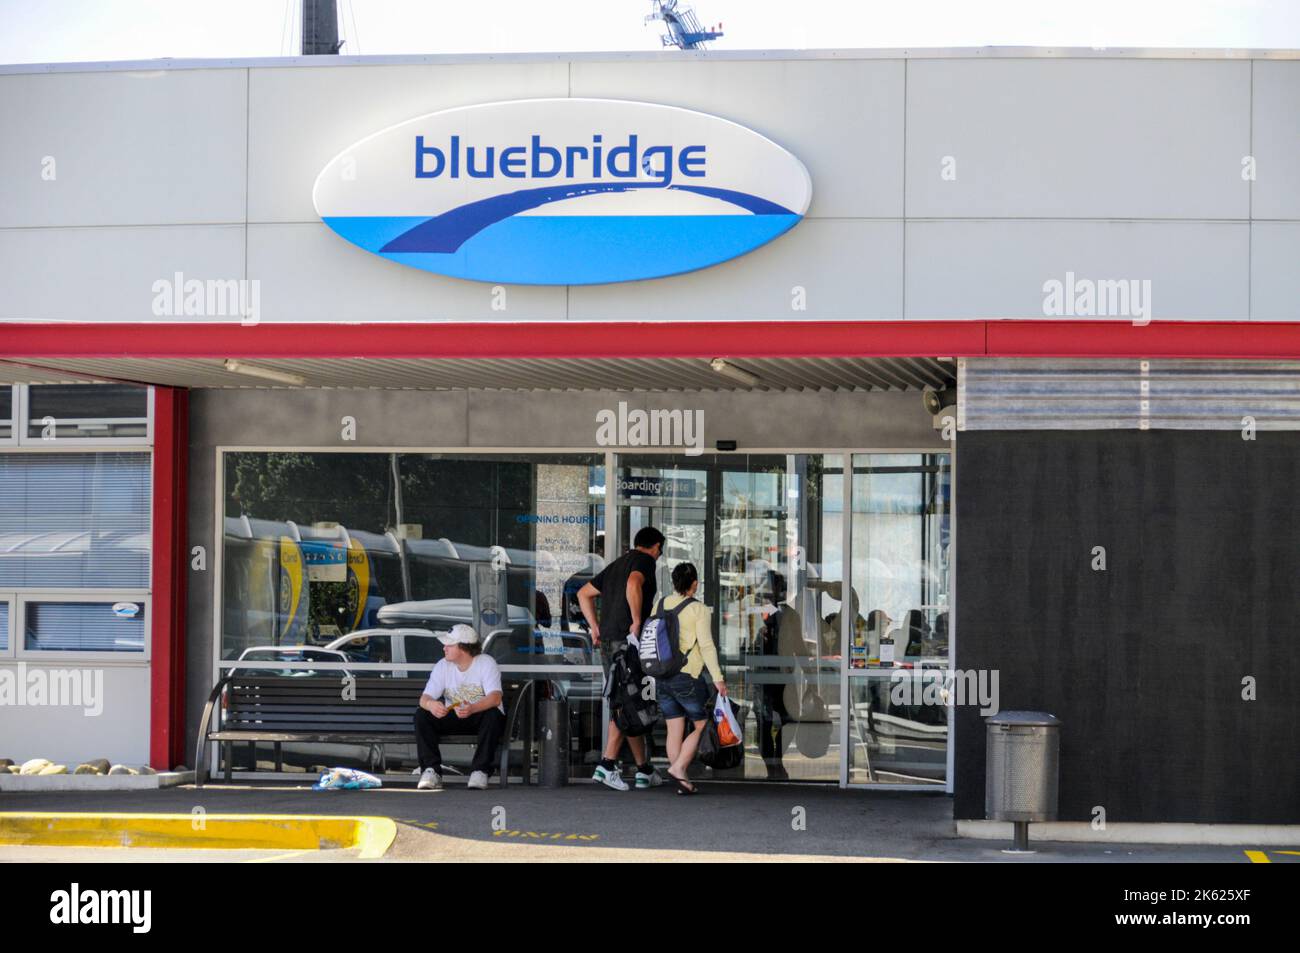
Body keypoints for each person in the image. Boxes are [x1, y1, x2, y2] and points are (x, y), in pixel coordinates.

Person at [576, 525, 665, 791]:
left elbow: (584, 593)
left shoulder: (616, 564)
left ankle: (643, 769)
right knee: (629, 701)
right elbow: (634, 583)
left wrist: (595, 627)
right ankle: (606, 764)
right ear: (657, 547)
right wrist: (637, 621)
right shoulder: (645, 562)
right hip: (627, 642)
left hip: (608, 641)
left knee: (628, 700)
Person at [655, 561, 725, 795]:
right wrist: (718, 678)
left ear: (674, 583)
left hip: (663, 676)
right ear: (695, 583)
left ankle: (682, 781)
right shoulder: (698, 609)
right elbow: (706, 645)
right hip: (687, 675)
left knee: (674, 727)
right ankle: (679, 768)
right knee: (703, 724)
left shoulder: (661, 603)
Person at [414, 623, 505, 791]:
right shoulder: (443, 665)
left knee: (492, 715)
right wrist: (431, 704)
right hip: (454, 716)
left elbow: (495, 698)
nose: (444, 648)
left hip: (478, 715)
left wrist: (472, 708)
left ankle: (480, 770)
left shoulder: (486, 663)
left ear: (463, 647)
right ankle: (431, 770)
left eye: (449, 644)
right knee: (422, 715)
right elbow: (424, 699)